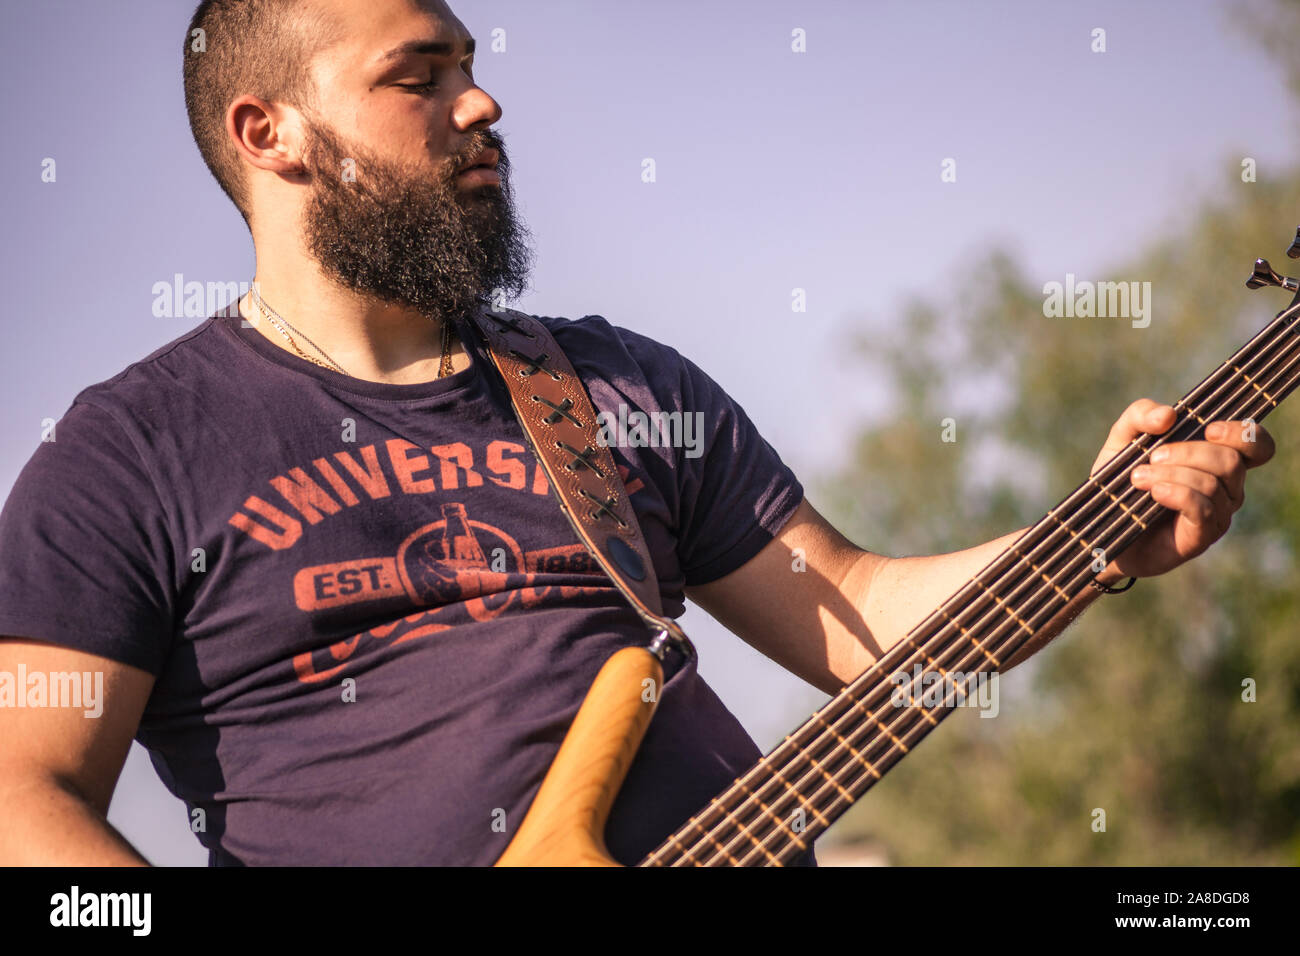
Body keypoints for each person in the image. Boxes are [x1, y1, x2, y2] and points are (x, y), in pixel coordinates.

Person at [0, 0, 1275, 867]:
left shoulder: (608, 385)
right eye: (418, 76)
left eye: (469, 61)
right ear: (265, 131)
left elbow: (859, 617)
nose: (481, 101)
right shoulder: (130, 450)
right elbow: (23, 791)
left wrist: (1089, 536)